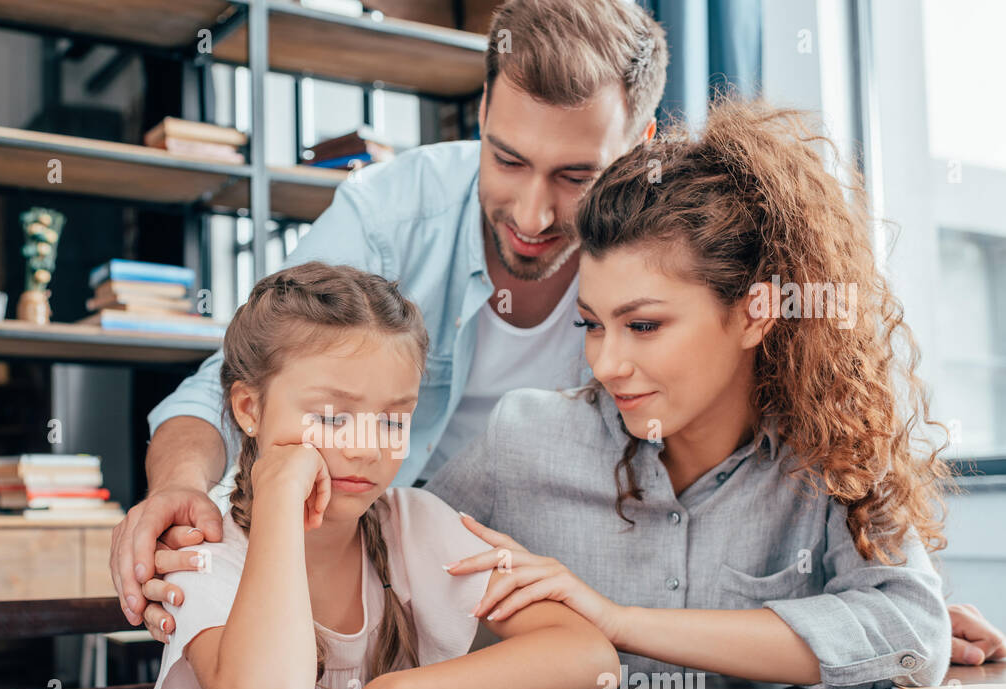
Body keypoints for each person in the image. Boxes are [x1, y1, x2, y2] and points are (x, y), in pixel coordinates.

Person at [110, 0, 669, 635]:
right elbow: (238, 376)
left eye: (577, 176)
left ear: (638, 148)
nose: (533, 216)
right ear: (483, 109)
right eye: (508, 160)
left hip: (541, 577)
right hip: (377, 560)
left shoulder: (658, 258)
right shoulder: (389, 213)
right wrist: (174, 485)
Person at [428, 98, 954, 689]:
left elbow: (913, 636)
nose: (606, 365)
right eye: (592, 325)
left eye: (644, 326)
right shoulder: (523, 440)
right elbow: (382, 556)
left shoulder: (835, 452)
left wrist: (620, 623)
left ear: (756, 313)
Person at [140, 262, 619, 689]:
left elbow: (590, 656)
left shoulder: (417, 524)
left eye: (393, 419)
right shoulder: (202, 550)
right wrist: (282, 495)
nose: (367, 448)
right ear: (249, 408)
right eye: (331, 416)